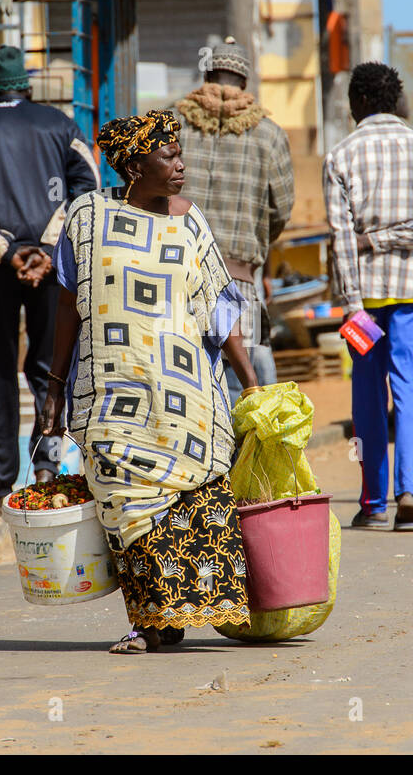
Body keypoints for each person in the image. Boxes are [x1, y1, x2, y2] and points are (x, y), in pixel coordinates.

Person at [38, 109, 260, 654]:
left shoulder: (191, 223)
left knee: (186, 503)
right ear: (135, 166)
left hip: (184, 400)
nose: (181, 166)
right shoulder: (87, 217)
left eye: (180, 154)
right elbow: (69, 303)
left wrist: (250, 384)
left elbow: (220, 313)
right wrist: (53, 386)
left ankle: (177, 611)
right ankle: (152, 619)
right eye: (168, 157)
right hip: (110, 395)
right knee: (123, 504)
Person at [0, 45, 101, 517]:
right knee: (50, 368)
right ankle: (48, 473)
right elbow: (86, 187)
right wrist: (49, 249)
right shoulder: (60, 125)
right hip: (55, 269)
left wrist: (8, 251)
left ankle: (1, 487)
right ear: (27, 89)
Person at [324, 62, 413, 531]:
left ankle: (374, 502)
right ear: (395, 99)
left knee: (367, 401)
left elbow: (341, 240)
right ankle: (408, 494)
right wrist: (393, 237)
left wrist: (354, 301)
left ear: (357, 103)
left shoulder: (340, 157)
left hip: (364, 302)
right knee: (412, 393)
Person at [173, 36, 294, 400]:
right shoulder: (269, 135)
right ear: (243, 83)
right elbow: (282, 210)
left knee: (185, 387)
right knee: (247, 391)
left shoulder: (173, 123)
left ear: (207, 74)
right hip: (237, 285)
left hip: (175, 282)